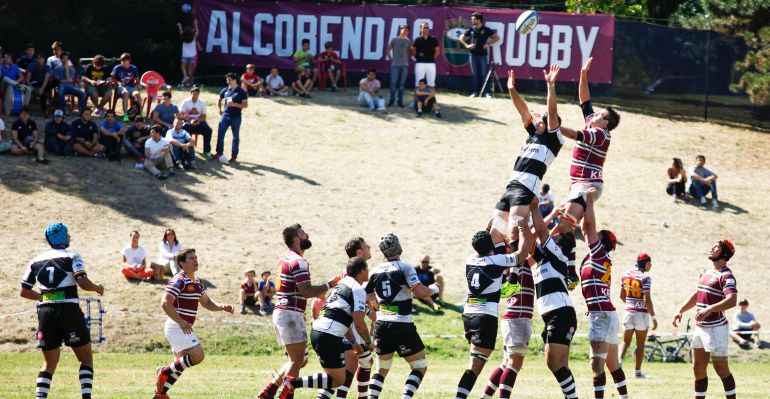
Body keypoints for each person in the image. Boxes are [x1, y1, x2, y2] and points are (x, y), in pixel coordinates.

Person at [553, 57, 620, 289]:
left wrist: (550, 125)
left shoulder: (601, 135)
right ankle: (562, 266)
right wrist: (583, 74)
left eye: (600, 116)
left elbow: (575, 135)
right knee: (559, 230)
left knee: (563, 226)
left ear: (606, 123)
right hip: (578, 185)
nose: (595, 116)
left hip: (587, 185)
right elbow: (585, 101)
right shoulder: (594, 124)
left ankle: (570, 272)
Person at [20, 222, 105, 399]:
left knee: (49, 362)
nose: (69, 237)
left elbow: (24, 291)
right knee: (85, 359)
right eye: (67, 234)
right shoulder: (72, 255)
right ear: (63, 237)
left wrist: (45, 297)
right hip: (68, 310)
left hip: (45, 313)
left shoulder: (35, 260)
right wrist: (97, 288)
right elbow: (82, 282)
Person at [257, 224, 339, 399]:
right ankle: (283, 396)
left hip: (283, 312)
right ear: (296, 239)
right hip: (290, 314)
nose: (307, 234)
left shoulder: (285, 258)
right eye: (303, 233)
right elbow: (306, 291)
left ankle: (268, 392)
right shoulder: (298, 261)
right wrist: (329, 285)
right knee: (296, 360)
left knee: (300, 360)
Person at [489, 68, 563, 258]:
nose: (535, 120)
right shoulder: (533, 134)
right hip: (510, 187)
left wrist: (551, 85)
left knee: (516, 228)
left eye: (540, 120)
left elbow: (552, 114)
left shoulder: (552, 139)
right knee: (494, 231)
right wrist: (512, 89)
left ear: (549, 126)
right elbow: (523, 110)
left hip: (526, 189)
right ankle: (501, 273)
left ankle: (518, 274)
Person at [277, 257, 373, 399]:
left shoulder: (341, 285)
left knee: (334, 377)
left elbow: (340, 318)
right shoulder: (358, 289)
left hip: (318, 332)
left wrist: (354, 343)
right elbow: (359, 323)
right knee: (337, 379)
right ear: (362, 270)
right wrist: (368, 342)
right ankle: (292, 382)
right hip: (329, 336)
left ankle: (292, 383)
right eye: (367, 269)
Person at [364, 233, 439, 399]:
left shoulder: (375, 271)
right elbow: (420, 292)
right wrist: (435, 288)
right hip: (401, 324)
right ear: (399, 247)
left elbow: (367, 296)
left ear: (382, 252)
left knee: (381, 369)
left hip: (382, 324)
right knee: (420, 366)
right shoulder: (405, 267)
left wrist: (377, 308)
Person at [453, 230, 527, 399]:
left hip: (468, 315)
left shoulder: (470, 260)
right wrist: (522, 231)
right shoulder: (497, 260)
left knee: (475, 363)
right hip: (484, 317)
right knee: (474, 367)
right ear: (491, 245)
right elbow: (523, 253)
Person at [153, 248, 235, 399]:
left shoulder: (197, 282)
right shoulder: (179, 280)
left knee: (179, 365)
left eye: (196, 257)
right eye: (191, 258)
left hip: (182, 326)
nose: (195, 260)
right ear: (182, 263)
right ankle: (163, 371)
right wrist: (181, 322)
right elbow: (165, 303)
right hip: (176, 326)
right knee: (198, 355)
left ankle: (160, 394)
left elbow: (207, 303)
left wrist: (221, 306)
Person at [527, 197, 580, 399]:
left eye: (556, 237)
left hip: (561, 313)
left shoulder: (559, 255)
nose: (552, 237)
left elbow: (542, 232)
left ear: (559, 244)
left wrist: (535, 208)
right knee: (561, 365)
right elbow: (532, 241)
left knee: (552, 363)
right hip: (555, 314)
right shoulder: (543, 259)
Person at [673, 240, 738, 399]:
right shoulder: (705, 272)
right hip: (700, 327)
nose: (712, 248)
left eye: (717, 247)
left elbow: (732, 300)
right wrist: (681, 310)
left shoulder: (726, 275)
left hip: (717, 328)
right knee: (698, 368)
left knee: (721, 368)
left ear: (724, 253)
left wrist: (709, 309)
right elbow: (698, 294)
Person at [580, 188, 628, 399]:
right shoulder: (598, 256)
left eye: (598, 236)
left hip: (602, 313)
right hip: (605, 313)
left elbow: (588, 226)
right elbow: (586, 228)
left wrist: (589, 199)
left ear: (603, 241)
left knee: (596, 364)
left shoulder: (598, 253)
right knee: (612, 364)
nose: (593, 235)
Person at [337, 237, 375, 399]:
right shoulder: (352, 275)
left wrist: (371, 312)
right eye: (367, 246)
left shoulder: (353, 272)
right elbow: (359, 299)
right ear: (359, 252)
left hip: (352, 324)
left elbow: (362, 300)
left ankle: (363, 397)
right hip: (350, 326)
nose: (369, 248)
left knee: (366, 362)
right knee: (349, 367)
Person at [618, 253, 657, 379]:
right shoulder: (645, 277)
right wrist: (654, 317)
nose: (650, 266)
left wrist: (631, 304)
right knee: (640, 344)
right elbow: (647, 299)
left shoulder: (626, 274)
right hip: (641, 314)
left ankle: (617, 367)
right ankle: (637, 372)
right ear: (645, 263)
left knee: (625, 342)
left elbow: (622, 296)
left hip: (628, 312)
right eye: (649, 263)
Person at [459, 12, 499, 98]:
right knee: (475, 74)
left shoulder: (486, 29)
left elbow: (497, 38)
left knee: (484, 74)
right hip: (472, 55)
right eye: (472, 19)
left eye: (473, 19)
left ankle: (487, 92)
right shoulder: (471, 29)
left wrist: (488, 43)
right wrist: (467, 45)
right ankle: (475, 92)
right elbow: (461, 38)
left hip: (483, 55)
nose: (472, 20)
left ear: (479, 20)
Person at [214, 73, 248, 164]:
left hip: (236, 117)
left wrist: (235, 105)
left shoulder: (241, 91)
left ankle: (234, 155)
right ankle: (219, 152)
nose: (227, 81)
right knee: (220, 134)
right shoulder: (225, 90)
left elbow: (245, 105)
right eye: (227, 80)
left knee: (235, 137)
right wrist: (220, 109)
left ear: (234, 80)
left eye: (229, 80)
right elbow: (219, 99)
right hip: (225, 115)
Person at [180, 86, 213, 159]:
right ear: (190, 94)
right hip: (188, 121)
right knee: (186, 128)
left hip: (199, 121)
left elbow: (204, 116)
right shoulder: (186, 102)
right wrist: (189, 120)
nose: (194, 96)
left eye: (196, 94)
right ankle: (187, 149)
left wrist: (199, 121)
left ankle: (207, 151)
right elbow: (181, 114)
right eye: (193, 94)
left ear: (199, 95)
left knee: (208, 130)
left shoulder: (202, 103)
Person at [111, 53, 142, 122]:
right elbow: (112, 78)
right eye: (122, 61)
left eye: (125, 61)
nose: (123, 62)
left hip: (131, 87)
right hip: (120, 87)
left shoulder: (133, 68)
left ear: (129, 61)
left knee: (137, 93)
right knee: (125, 93)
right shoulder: (117, 68)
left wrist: (138, 84)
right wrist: (118, 83)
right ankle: (125, 116)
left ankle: (140, 115)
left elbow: (136, 78)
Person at [385, 25, 410, 108]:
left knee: (401, 85)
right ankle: (391, 102)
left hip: (404, 65)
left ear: (408, 32)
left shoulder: (408, 41)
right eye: (403, 29)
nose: (405, 31)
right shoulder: (394, 40)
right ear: (400, 30)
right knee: (393, 83)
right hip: (395, 65)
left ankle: (400, 102)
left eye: (406, 30)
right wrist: (390, 59)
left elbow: (410, 51)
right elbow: (388, 50)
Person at [411, 22, 440, 89]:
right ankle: (417, 99)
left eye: (427, 27)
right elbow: (413, 51)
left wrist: (431, 58)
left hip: (431, 64)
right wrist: (418, 57)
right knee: (418, 84)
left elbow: (437, 52)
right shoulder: (417, 39)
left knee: (431, 84)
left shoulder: (433, 39)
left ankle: (431, 99)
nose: (426, 29)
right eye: (424, 27)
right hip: (420, 64)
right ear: (420, 29)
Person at [180, 19, 200, 87]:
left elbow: (181, 31)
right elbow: (197, 31)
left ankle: (185, 76)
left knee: (183, 66)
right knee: (190, 68)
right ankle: (189, 82)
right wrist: (196, 25)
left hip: (185, 55)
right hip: (192, 55)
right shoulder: (193, 37)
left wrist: (179, 26)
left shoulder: (183, 37)